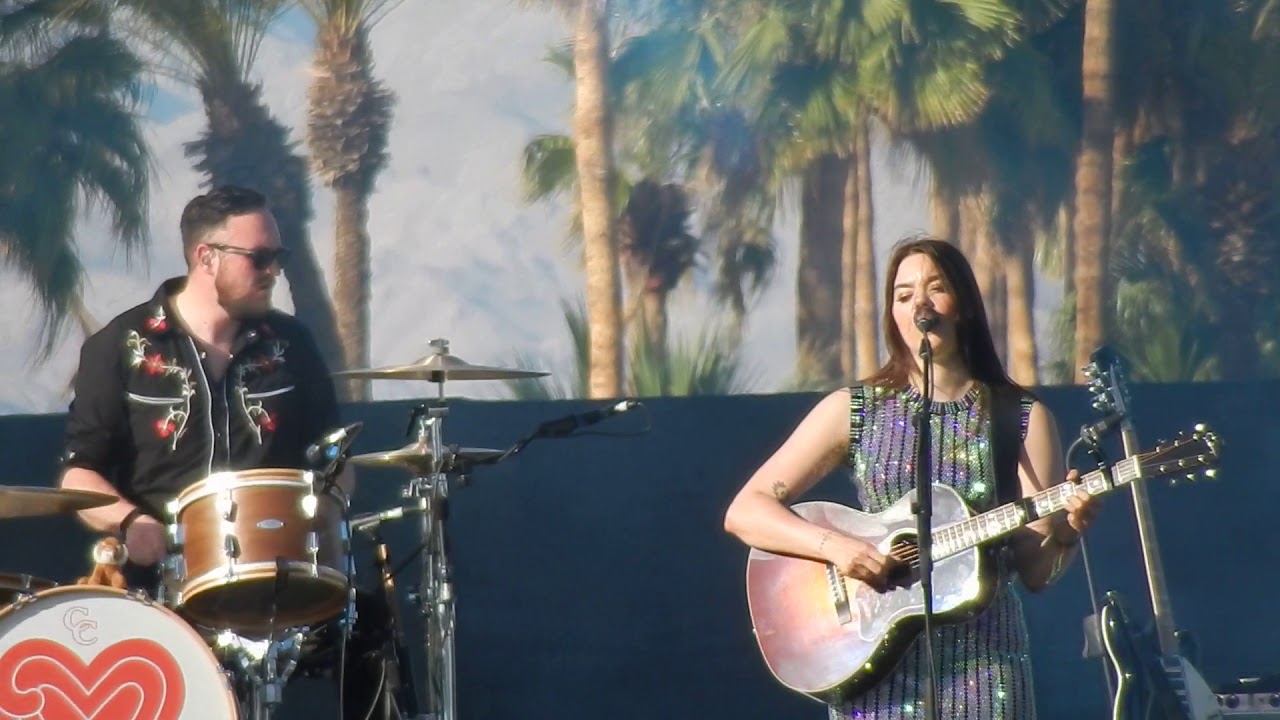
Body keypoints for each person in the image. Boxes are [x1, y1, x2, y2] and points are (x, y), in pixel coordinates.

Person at [723, 235, 1104, 719]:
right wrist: (837, 547)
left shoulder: (1022, 418)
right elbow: (746, 511)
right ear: (893, 315)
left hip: (984, 670)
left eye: (935, 288)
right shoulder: (856, 410)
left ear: (963, 305)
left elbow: (1033, 571)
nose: (919, 304)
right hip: (873, 666)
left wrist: (1068, 532)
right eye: (903, 296)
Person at [58, 184, 392, 717]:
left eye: (278, 258)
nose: (273, 271)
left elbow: (336, 458)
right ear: (205, 257)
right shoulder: (119, 346)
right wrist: (131, 525)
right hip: (166, 581)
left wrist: (326, 501)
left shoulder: (292, 345)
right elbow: (80, 477)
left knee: (370, 623)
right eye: (260, 258)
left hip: (281, 568)